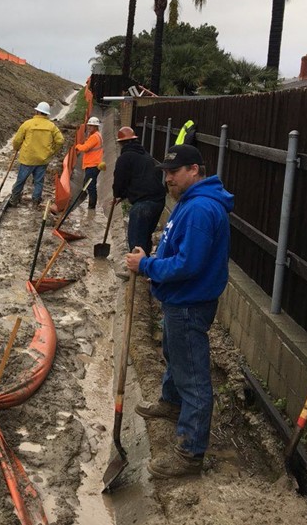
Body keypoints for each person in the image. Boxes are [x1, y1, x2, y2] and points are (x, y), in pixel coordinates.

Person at [123, 144, 234, 479]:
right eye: (165, 172)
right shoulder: (190, 203)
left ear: (195, 170)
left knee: (194, 378)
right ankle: (171, 404)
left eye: (173, 172)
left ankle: (189, 453)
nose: (167, 178)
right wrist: (152, 257)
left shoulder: (200, 209)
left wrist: (146, 265)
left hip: (188, 301)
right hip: (179, 301)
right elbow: (179, 249)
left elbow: (188, 264)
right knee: (174, 353)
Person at [111, 126, 167, 263]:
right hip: (159, 200)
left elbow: (120, 179)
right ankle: (144, 267)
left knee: (136, 240)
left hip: (143, 203)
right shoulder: (145, 155)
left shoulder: (125, 157)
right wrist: (123, 196)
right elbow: (138, 178)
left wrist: (117, 194)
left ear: (121, 143)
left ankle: (134, 276)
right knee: (145, 235)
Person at [8, 101, 64, 207]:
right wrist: (52, 152)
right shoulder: (51, 126)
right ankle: (35, 201)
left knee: (21, 180)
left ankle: (14, 199)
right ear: (47, 114)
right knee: (38, 182)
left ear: (37, 111)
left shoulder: (27, 124)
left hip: (27, 158)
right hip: (42, 159)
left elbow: (17, 140)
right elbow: (60, 141)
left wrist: (16, 148)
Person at [75, 116, 103, 209]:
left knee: (91, 187)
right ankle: (84, 199)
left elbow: (85, 148)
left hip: (92, 165)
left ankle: (91, 207)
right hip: (94, 164)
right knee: (87, 184)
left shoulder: (94, 137)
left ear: (96, 127)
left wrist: (77, 146)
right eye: (89, 125)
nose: (89, 127)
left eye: (92, 126)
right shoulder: (97, 135)